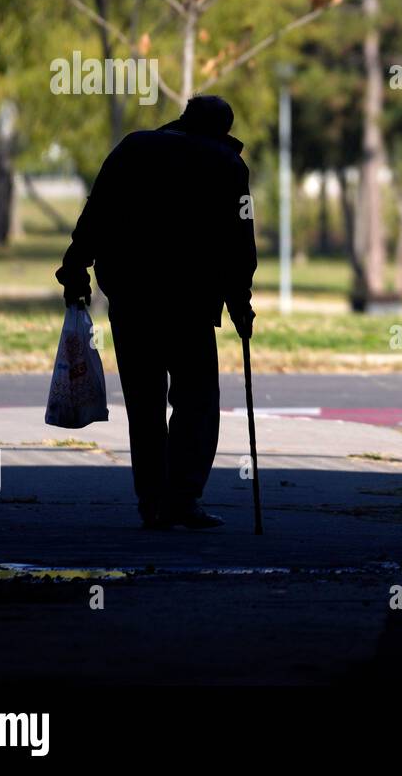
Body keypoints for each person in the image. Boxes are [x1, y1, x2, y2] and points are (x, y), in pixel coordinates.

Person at [56, 95, 256, 529]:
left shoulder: (133, 148)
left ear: (183, 118)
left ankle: (152, 502)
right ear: (222, 131)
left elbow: (98, 209)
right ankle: (182, 499)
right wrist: (241, 300)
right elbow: (240, 238)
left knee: (144, 404)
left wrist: (76, 265)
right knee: (196, 401)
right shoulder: (227, 165)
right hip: (191, 304)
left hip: (133, 298)